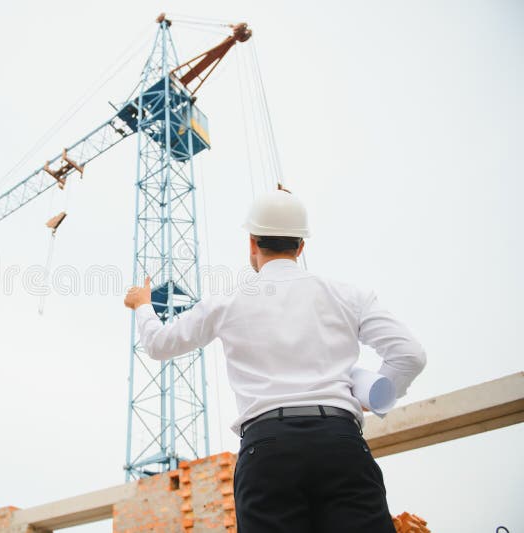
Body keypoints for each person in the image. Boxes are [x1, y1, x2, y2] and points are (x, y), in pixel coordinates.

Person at [123, 189, 426, 532]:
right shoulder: (348, 295)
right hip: (340, 442)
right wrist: (370, 398)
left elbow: (159, 344)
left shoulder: (226, 302)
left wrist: (143, 304)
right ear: (301, 246)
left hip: (267, 450)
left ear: (252, 242)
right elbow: (409, 354)